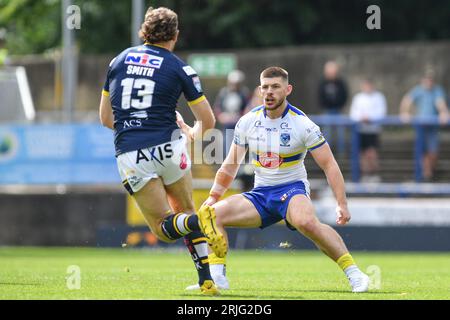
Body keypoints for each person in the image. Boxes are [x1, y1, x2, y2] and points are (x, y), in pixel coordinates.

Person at [184, 67, 370, 293]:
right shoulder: (247, 121)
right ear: (259, 90)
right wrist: (213, 196)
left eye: (275, 87)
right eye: (265, 87)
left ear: (288, 89)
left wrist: (342, 204)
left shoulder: (302, 124)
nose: (269, 92)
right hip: (261, 193)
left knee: (306, 222)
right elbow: (230, 164)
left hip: (292, 189)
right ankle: (217, 277)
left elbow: (329, 165)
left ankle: (354, 274)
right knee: (211, 216)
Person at [98, 7, 226, 295]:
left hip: (133, 152)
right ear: (176, 35)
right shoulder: (180, 67)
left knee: (162, 227)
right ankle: (207, 280)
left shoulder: (118, 61)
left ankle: (199, 223)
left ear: (144, 31)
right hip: (171, 147)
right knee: (186, 210)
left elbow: (106, 119)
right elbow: (208, 121)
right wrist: (192, 134)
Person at [399, 70, 449, 181]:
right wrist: (405, 112)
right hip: (421, 127)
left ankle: (429, 172)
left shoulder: (437, 91)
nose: (428, 83)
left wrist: (444, 113)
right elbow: (407, 100)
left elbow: (440, 103)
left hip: (433, 127)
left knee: (433, 152)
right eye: (426, 81)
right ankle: (427, 175)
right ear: (422, 81)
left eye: (430, 81)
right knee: (422, 152)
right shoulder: (418, 90)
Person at [349, 78, 387, 182]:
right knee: (362, 154)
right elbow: (353, 113)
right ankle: (365, 175)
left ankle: (374, 174)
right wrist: (361, 118)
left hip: (373, 130)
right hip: (360, 130)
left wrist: (370, 118)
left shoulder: (379, 97)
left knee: (372, 153)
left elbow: (381, 112)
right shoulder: (358, 98)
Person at [214, 70, 250, 154]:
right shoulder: (224, 92)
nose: (234, 85)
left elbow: (248, 108)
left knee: (240, 147)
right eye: (232, 83)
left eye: (236, 83)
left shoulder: (244, 93)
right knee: (226, 145)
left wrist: (239, 117)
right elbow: (217, 107)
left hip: (240, 126)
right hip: (226, 126)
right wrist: (221, 116)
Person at [318, 61, 348, 154]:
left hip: (338, 110)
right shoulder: (323, 83)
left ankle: (341, 153)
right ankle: (327, 153)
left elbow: (345, 95)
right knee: (326, 134)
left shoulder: (340, 82)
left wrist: (339, 105)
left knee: (340, 134)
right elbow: (320, 96)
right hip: (327, 111)